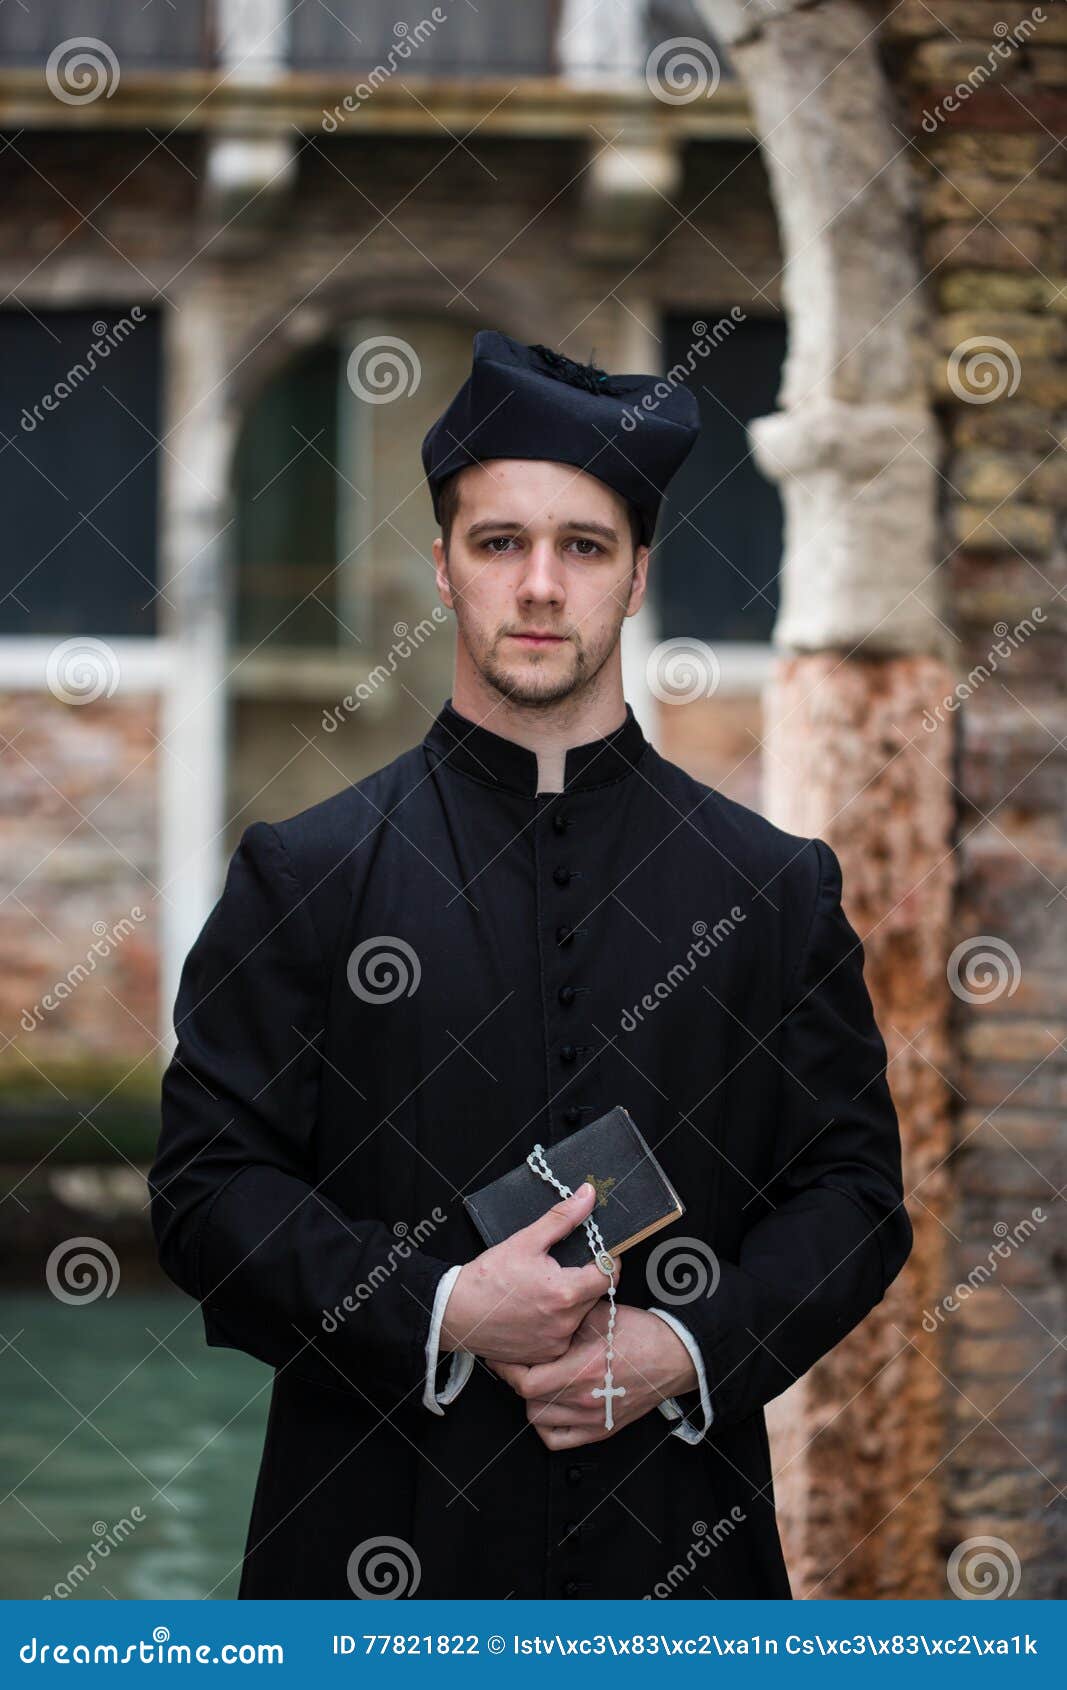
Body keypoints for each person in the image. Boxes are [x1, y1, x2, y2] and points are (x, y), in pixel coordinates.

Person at [148, 329, 912, 1600]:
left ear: (635, 575)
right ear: (444, 568)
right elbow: (206, 1190)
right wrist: (440, 1305)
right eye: (500, 543)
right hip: (364, 1563)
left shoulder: (768, 889)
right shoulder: (308, 871)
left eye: (583, 547)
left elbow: (852, 1196)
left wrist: (683, 1342)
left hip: (681, 1559)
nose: (541, 586)